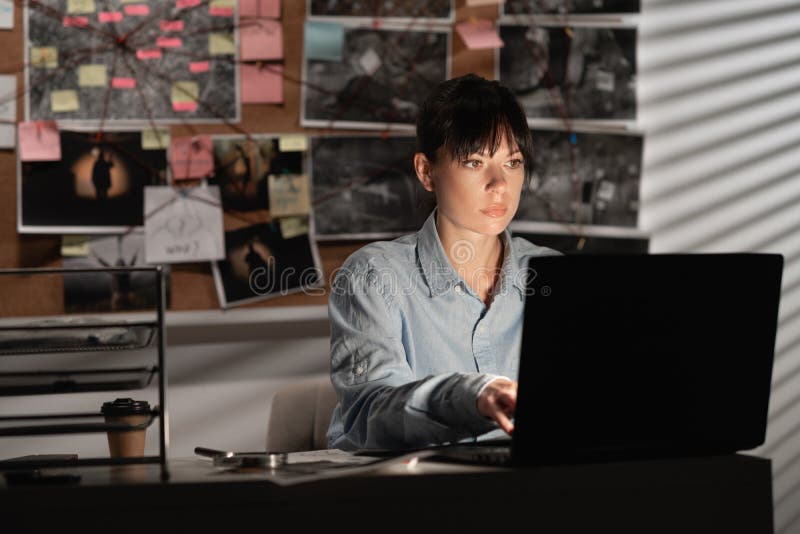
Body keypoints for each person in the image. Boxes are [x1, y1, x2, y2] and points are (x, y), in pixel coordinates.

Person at [326, 73, 560, 451]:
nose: (499, 183)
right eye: (474, 162)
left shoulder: (552, 273)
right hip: (417, 483)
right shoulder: (374, 276)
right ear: (426, 171)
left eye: (513, 162)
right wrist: (471, 395)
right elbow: (371, 415)